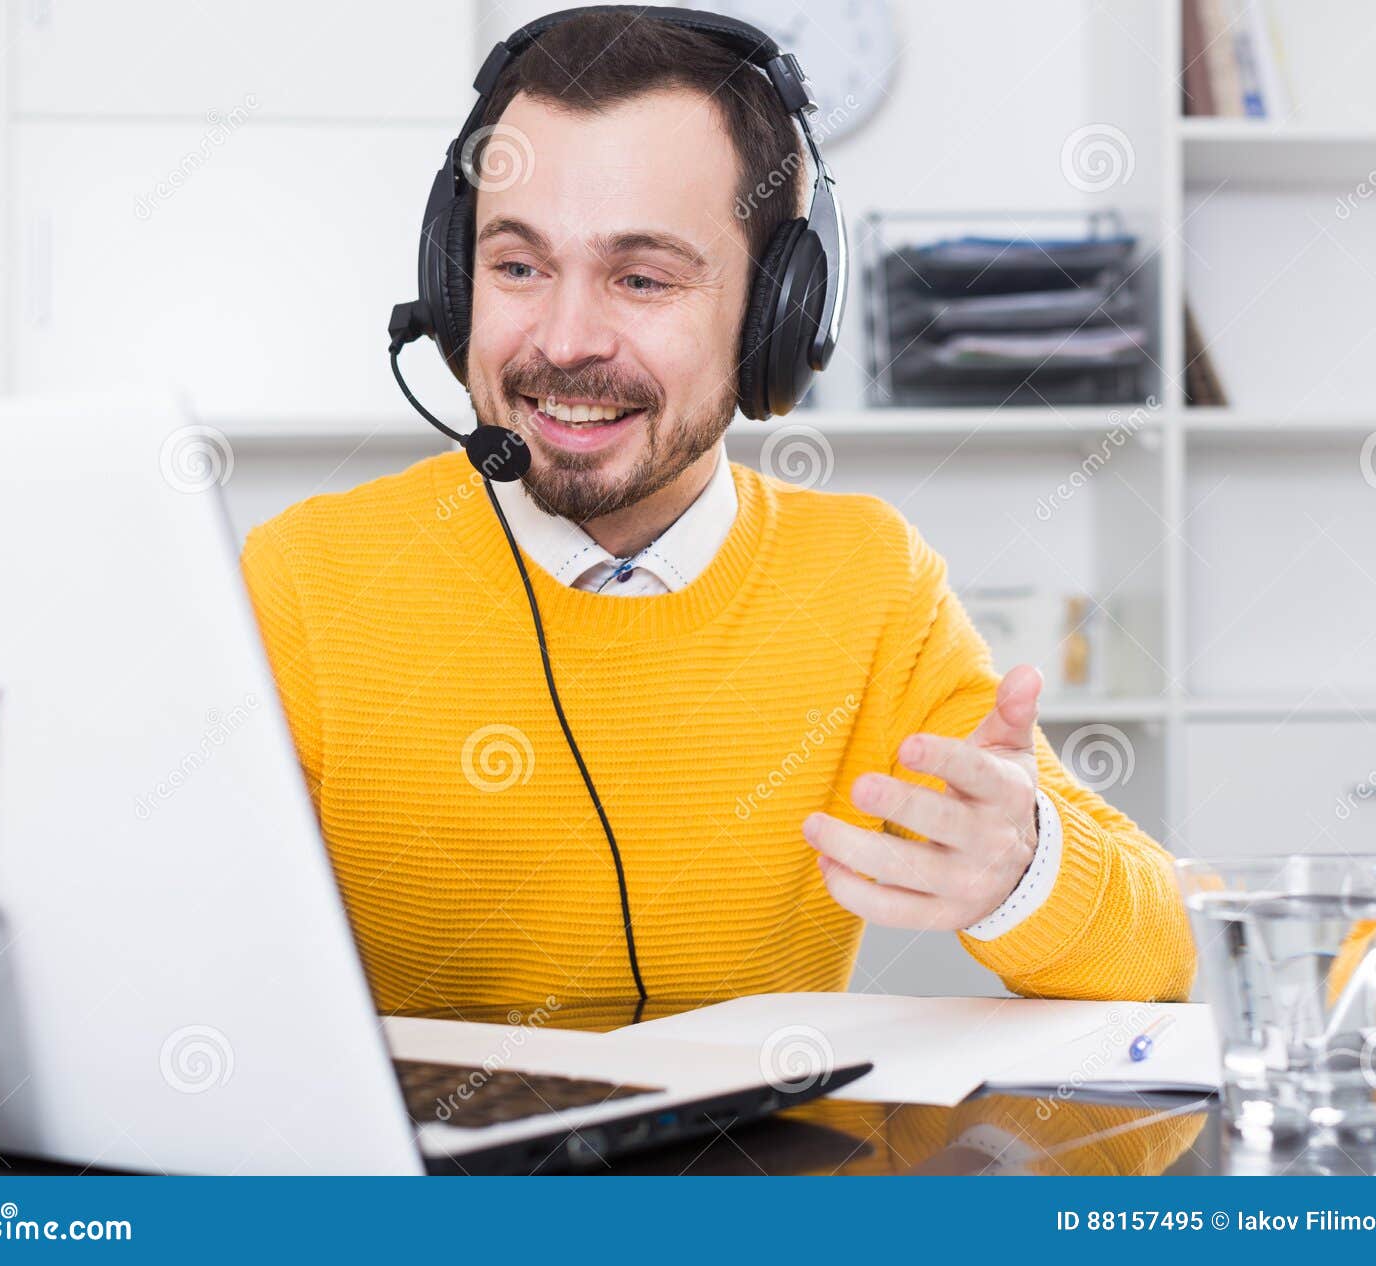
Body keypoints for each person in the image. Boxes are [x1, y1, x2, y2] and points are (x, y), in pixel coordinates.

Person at [240, 9, 1194, 1014]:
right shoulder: (306, 580)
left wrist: (1023, 871)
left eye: (641, 277)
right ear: (450, 279)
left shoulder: (865, 582)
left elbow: (1159, 956)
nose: (564, 342)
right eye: (516, 266)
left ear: (775, 316)